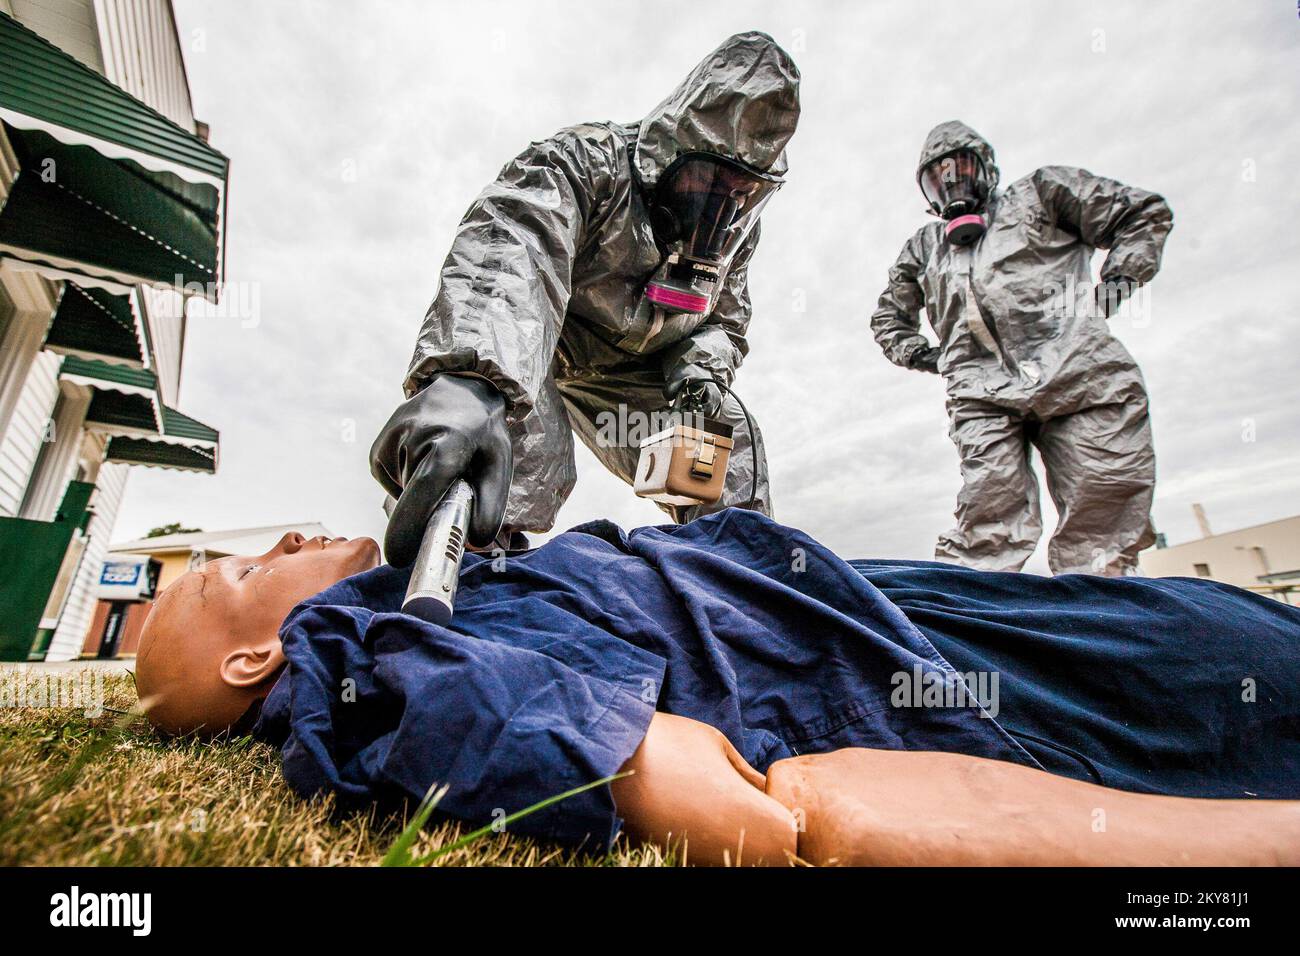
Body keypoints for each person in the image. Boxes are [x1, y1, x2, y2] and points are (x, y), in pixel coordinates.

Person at [134, 516, 1300, 866]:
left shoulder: (414, 589)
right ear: (255, 658)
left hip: (835, 606)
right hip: (877, 668)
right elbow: (448, 712)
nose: (283, 533)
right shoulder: (350, 651)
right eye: (242, 570)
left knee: (1219, 644)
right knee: (1211, 657)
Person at [370, 32, 800, 565]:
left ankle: (734, 581)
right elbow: (515, 249)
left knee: (722, 434)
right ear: (673, 151)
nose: (723, 206)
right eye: (711, 180)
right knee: (504, 432)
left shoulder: (734, 236)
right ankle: (465, 564)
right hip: (541, 346)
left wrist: (699, 370)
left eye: (742, 192)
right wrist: (470, 376)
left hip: (634, 377)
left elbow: (726, 322)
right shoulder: (584, 163)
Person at [871, 120, 1174, 575]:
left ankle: (1097, 622)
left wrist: (1117, 282)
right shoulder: (924, 248)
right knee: (987, 516)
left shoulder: (1042, 194)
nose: (951, 182)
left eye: (961, 168)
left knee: (1103, 505)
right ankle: (972, 624)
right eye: (937, 177)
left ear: (986, 169)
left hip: (1081, 377)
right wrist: (922, 354)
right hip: (980, 396)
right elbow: (889, 317)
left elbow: (1142, 213)